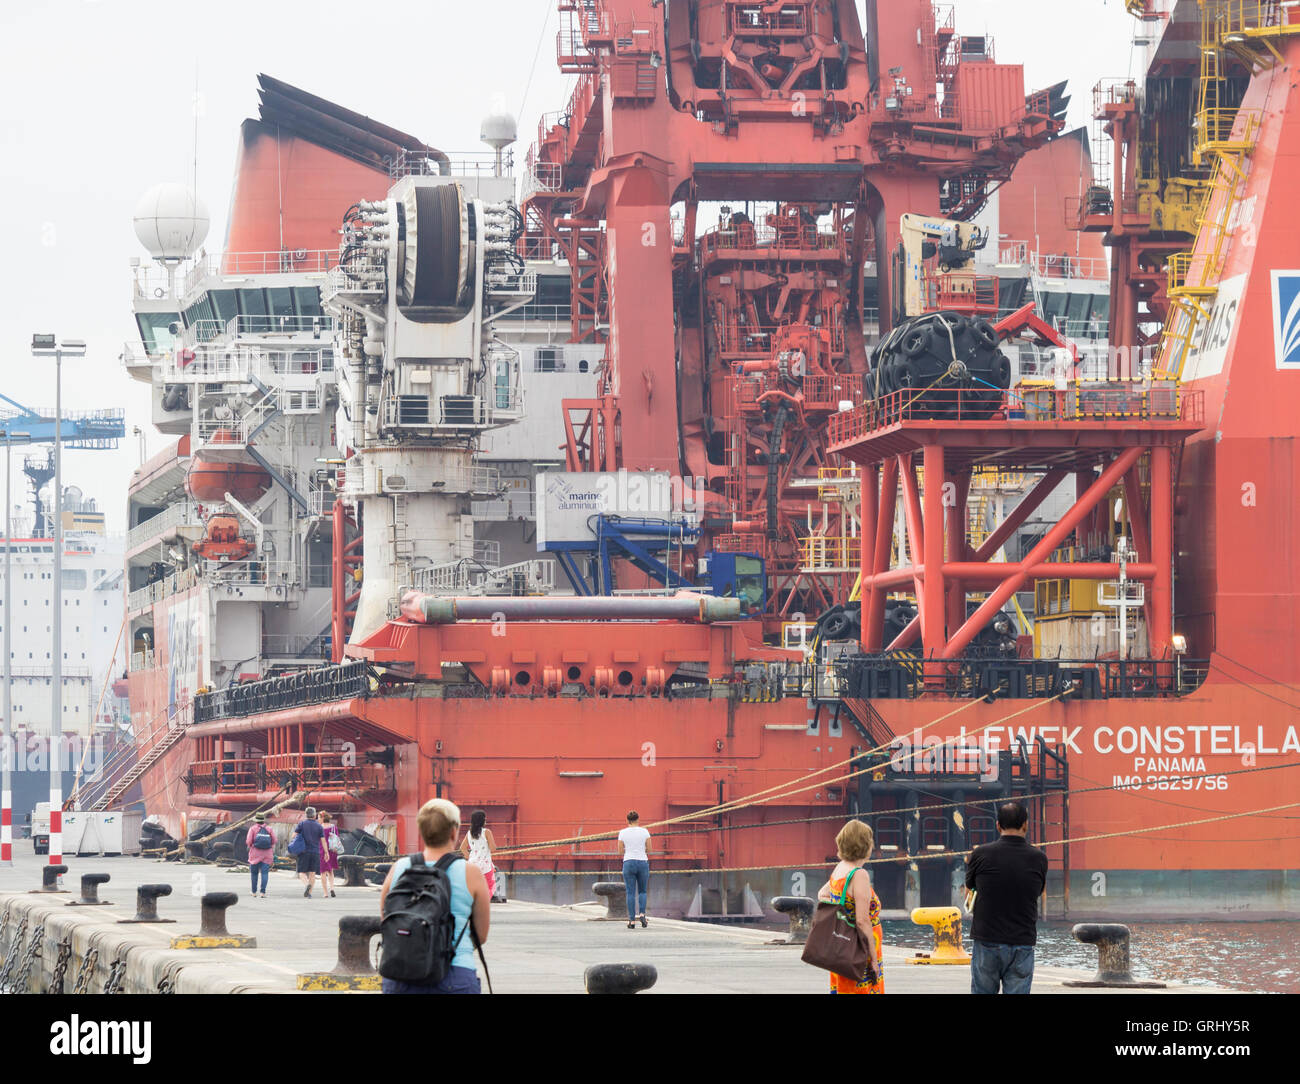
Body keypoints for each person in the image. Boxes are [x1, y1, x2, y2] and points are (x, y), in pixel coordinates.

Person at [380, 798, 490, 994]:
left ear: (421, 831)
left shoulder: (398, 869)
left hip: (402, 974)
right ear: (454, 832)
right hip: (455, 973)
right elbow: (481, 934)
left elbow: (387, 920)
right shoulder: (471, 873)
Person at [964, 800, 1050, 995]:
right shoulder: (1039, 858)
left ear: (998, 825)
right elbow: (1039, 891)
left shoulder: (980, 854)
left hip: (987, 939)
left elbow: (969, 891)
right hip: (1022, 941)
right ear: (1025, 824)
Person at [816, 819, 884, 994]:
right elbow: (862, 920)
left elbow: (822, 894)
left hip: (842, 945)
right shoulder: (859, 875)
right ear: (865, 844)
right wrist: (874, 960)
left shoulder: (840, 868)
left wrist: (844, 914)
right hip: (859, 948)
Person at [617, 810, 651, 929]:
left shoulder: (622, 833)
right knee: (642, 891)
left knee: (630, 892)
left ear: (627, 820)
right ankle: (642, 913)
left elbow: (620, 851)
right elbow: (649, 849)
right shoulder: (645, 832)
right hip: (642, 862)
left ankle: (631, 921)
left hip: (628, 862)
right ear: (638, 820)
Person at [459, 809, 496, 899]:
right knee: (491, 886)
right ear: (482, 820)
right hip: (485, 865)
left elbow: (462, 848)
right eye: (485, 819)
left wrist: (470, 857)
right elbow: (493, 849)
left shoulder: (469, 833)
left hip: (473, 864)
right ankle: (483, 903)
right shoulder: (486, 832)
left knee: (473, 886)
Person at [292, 807, 324, 898]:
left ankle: (306, 885)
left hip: (304, 851)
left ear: (306, 814)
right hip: (315, 852)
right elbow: (323, 840)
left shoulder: (302, 824)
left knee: (302, 872)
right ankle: (309, 893)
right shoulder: (319, 826)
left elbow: (293, 836)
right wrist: (325, 852)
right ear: (315, 815)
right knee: (312, 873)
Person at [245, 812, 274, 898]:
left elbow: (248, 841)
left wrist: (252, 846)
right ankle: (262, 893)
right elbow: (274, 840)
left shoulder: (252, 829)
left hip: (255, 854)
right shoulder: (269, 829)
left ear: (256, 821)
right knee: (264, 873)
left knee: (254, 874)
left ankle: (254, 892)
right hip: (267, 854)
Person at [319, 810, 341, 898]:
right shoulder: (333, 827)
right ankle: (332, 888)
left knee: (323, 872)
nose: (318, 819)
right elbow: (337, 838)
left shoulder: (320, 827)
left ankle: (325, 893)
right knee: (331, 870)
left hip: (322, 850)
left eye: (319, 817)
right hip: (333, 850)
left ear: (323, 818)